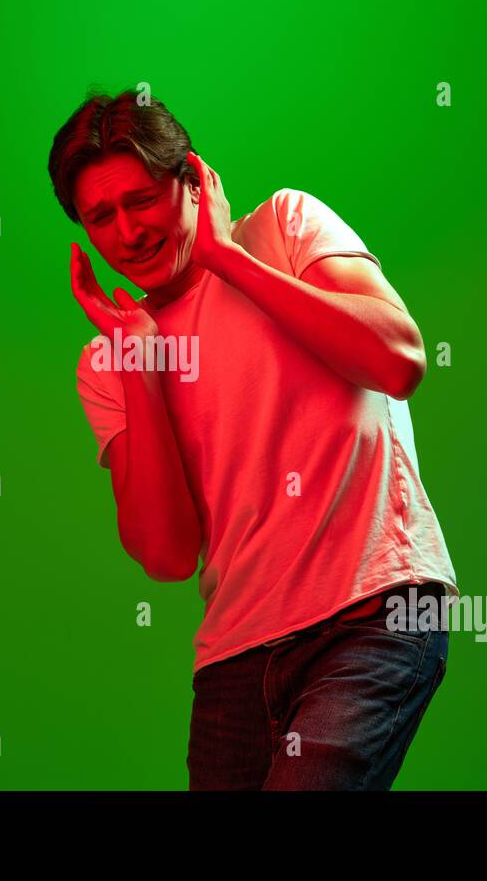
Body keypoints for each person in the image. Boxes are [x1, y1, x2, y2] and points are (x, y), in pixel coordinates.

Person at [48, 90, 458, 790]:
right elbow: (169, 552)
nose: (128, 233)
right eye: (101, 218)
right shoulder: (110, 360)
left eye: (141, 200)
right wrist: (143, 368)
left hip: (373, 611)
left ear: (192, 180)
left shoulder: (286, 228)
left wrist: (227, 261)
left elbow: (398, 360)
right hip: (235, 659)